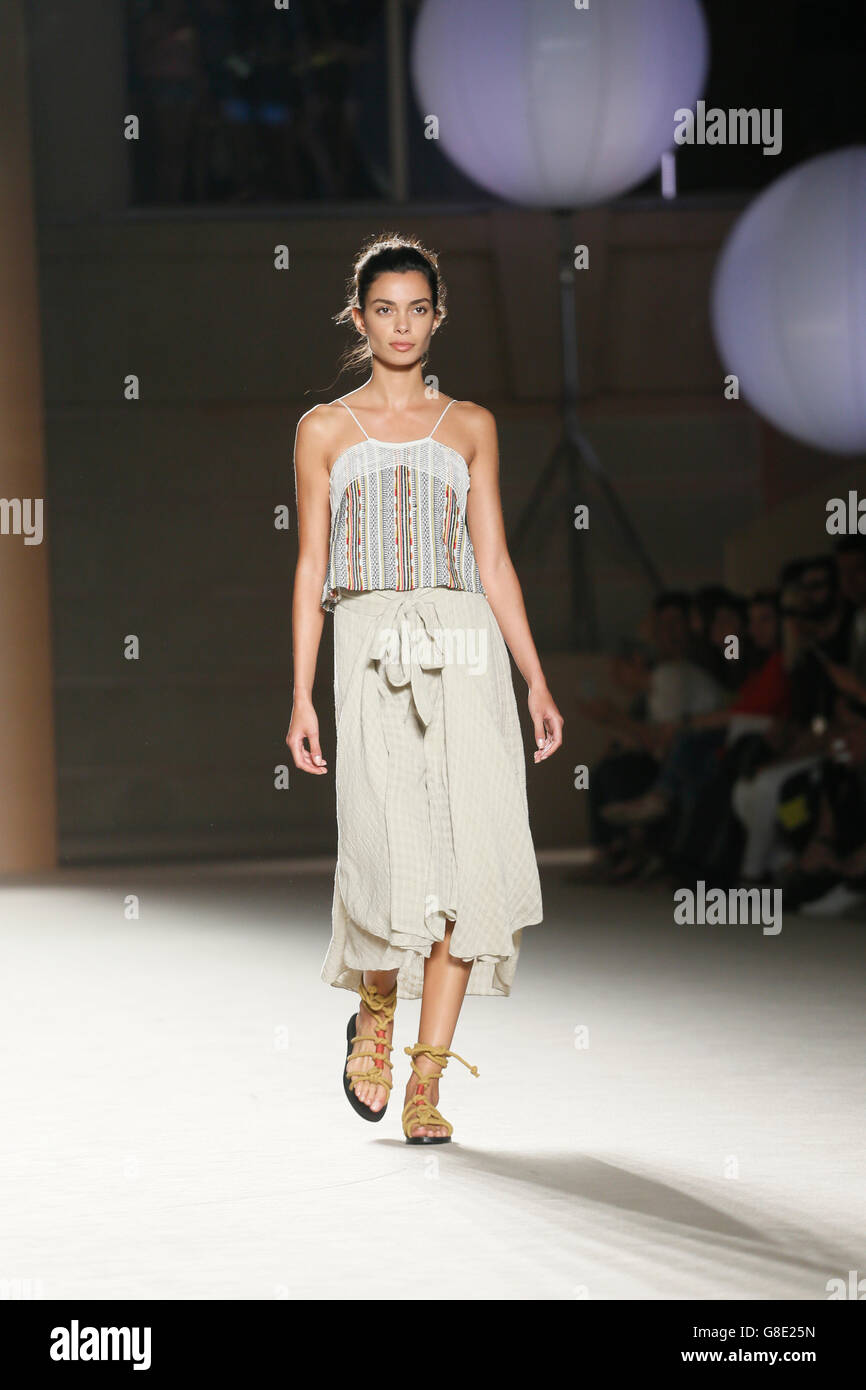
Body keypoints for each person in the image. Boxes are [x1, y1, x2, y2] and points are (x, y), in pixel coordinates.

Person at [287, 235, 563, 1144]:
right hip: (367, 647)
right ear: (358, 317)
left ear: (437, 318)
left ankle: (426, 1087)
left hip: (465, 648)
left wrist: (534, 679)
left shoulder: (472, 424)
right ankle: (374, 1012)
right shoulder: (323, 429)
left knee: (466, 861)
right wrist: (301, 696)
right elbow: (311, 565)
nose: (401, 325)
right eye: (383, 308)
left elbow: (493, 561)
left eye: (417, 308)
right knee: (380, 846)